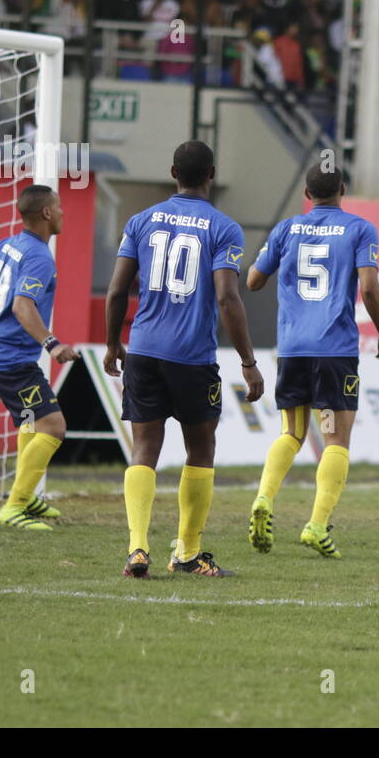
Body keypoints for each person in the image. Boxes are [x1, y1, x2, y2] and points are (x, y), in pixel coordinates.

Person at [103, 140, 263, 578]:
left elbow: (117, 291)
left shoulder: (140, 221)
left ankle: (137, 549)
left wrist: (114, 344)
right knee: (201, 448)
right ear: (211, 174)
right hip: (191, 356)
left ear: (173, 172)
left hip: (143, 351)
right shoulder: (224, 228)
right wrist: (248, 361)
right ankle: (188, 553)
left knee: (144, 448)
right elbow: (227, 297)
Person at [246, 165, 379, 559]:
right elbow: (369, 288)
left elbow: (253, 281)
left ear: (307, 193)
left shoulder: (285, 229)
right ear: (342, 189)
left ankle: (264, 498)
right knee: (334, 438)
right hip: (334, 351)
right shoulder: (360, 229)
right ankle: (315, 525)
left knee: (292, 433)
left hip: (293, 348)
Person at [0, 186, 78, 531]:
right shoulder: (39, 256)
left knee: (30, 421)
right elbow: (22, 306)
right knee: (53, 426)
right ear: (46, 213)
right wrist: (52, 344)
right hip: (9, 358)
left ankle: (25, 497)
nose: (63, 212)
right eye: (58, 206)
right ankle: (13, 506)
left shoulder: (8, 245)